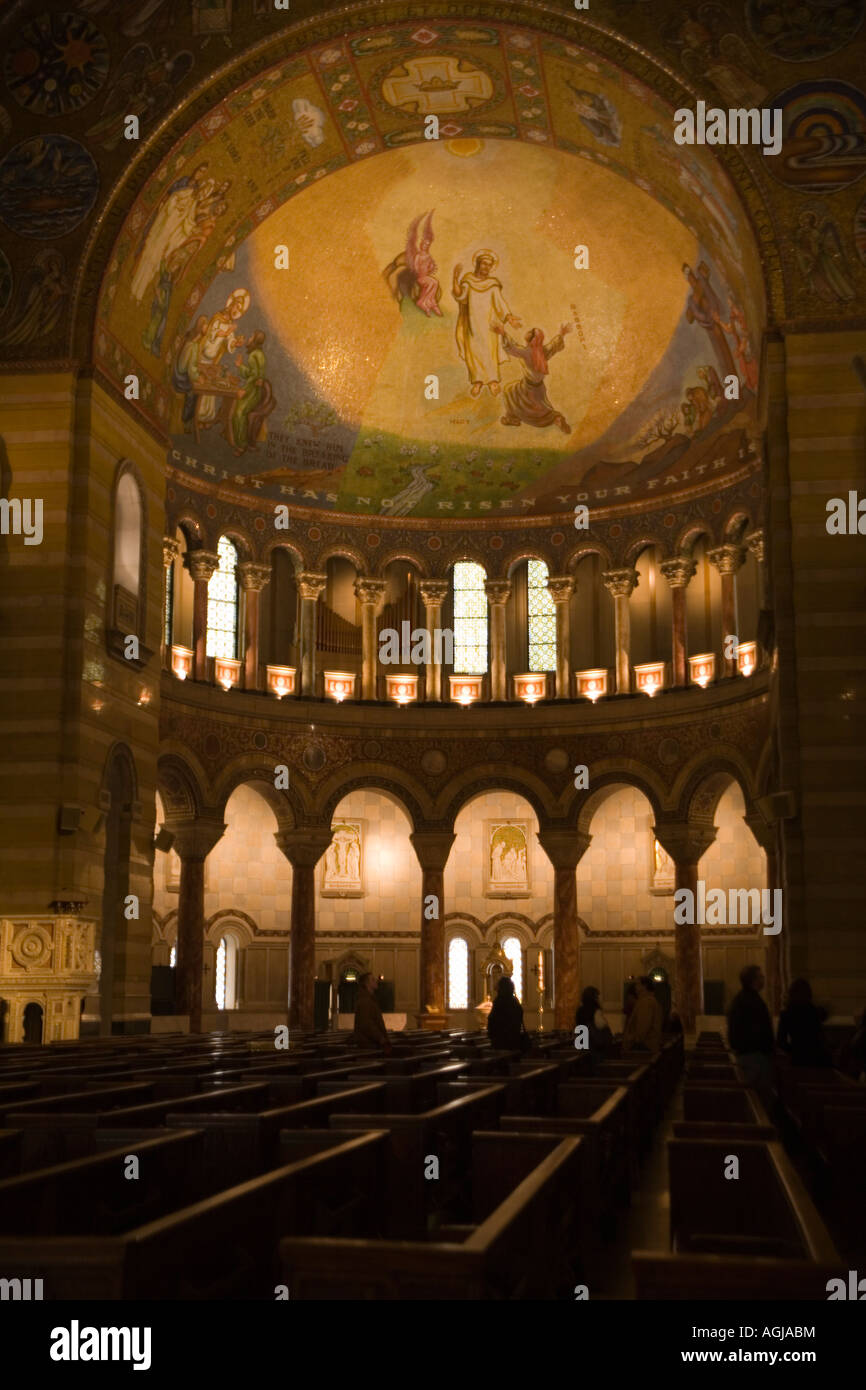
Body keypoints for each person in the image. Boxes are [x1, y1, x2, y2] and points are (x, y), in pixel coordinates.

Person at [727, 964, 774, 1096]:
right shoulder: (753, 1002)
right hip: (755, 1056)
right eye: (761, 977)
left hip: (745, 1054)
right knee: (759, 1097)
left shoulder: (739, 999)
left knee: (753, 1098)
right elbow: (762, 1030)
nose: (763, 979)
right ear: (753, 980)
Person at [777, 978, 831, 1068]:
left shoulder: (786, 1014)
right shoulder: (814, 1011)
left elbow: (781, 1041)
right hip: (817, 1057)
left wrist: (793, 1050)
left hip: (798, 1058)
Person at [622, 976, 662, 1053]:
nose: (635, 987)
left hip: (644, 1047)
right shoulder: (648, 1000)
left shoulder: (646, 1002)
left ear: (644, 986)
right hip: (648, 1045)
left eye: (637, 984)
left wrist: (631, 1040)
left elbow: (642, 1028)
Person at [575, 985, 613, 1064]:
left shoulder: (580, 1010)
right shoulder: (595, 1010)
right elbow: (601, 1025)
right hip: (594, 1046)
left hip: (582, 1043)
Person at [352, 971, 390, 1051]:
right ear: (366, 984)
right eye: (373, 979)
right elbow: (366, 1024)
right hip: (369, 1045)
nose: (376, 981)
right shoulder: (364, 1000)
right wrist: (381, 1038)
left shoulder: (370, 999)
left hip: (372, 1043)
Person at [487, 976, 525, 1051]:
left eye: (498, 985)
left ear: (501, 987)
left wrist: (491, 1034)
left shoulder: (499, 1001)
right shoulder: (515, 1001)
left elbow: (493, 1020)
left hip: (501, 1041)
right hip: (514, 1040)